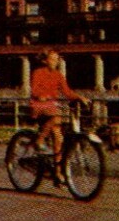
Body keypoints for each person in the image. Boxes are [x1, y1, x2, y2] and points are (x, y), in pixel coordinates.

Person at [30, 49, 83, 180]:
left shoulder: (59, 75)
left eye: (57, 59)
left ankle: (58, 172)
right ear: (45, 61)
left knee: (58, 139)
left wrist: (79, 97)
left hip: (51, 105)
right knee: (56, 117)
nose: (55, 62)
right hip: (39, 105)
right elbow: (35, 89)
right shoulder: (38, 72)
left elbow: (67, 92)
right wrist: (41, 95)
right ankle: (40, 140)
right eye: (52, 59)